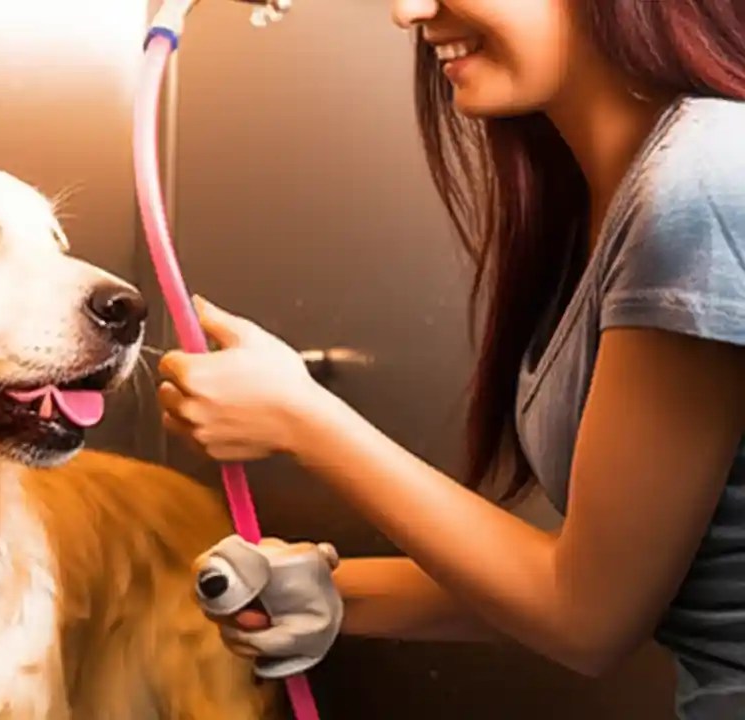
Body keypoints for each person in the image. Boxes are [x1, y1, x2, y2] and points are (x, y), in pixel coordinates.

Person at [156, 1, 745, 718]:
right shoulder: (622, 197)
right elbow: (612, 576)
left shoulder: (703, 183)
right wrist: (334, 594)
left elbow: (589, 619)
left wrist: (302, 420)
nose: (407, 11)